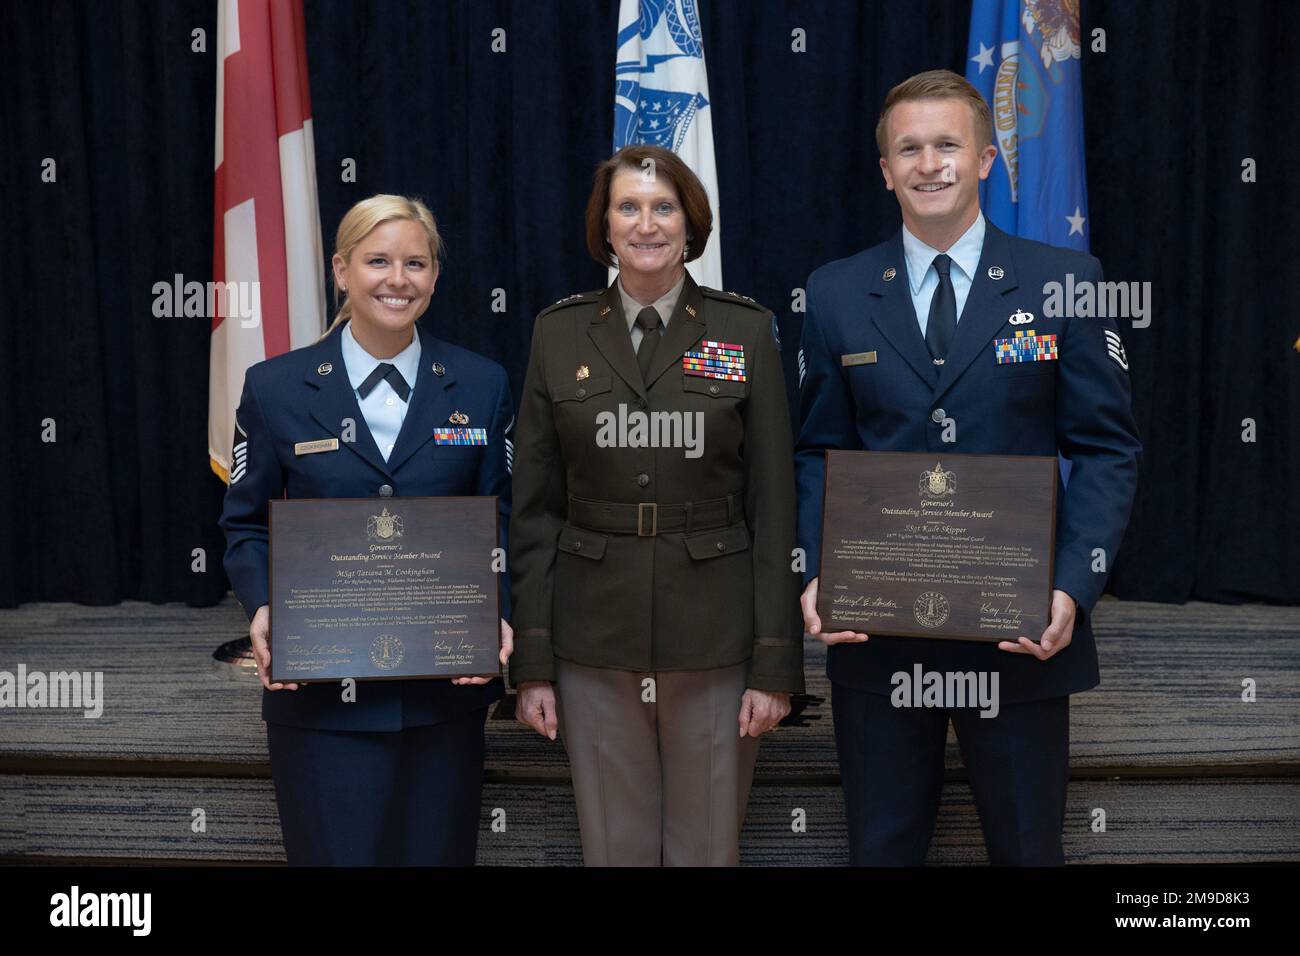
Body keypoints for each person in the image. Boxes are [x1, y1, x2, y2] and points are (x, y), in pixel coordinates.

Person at [795, 70, 1141, 865]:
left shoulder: (1067, 285)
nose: (929, 164)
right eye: (908, 149)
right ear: (884, 170)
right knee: (880, 849)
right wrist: (816, 573)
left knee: (1026, 847)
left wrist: (1072, 587)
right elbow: (816, 448)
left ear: (986, 157)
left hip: (1018, 631)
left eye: (948, 144)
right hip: (878, 628)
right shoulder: (837, 292)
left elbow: (1106, 449)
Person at [508, 144, 804, 866]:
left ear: (691, 222)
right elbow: (535, 513)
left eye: (664, 207)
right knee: (615, 847)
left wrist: (775, 664)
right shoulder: (558, 332)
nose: (647, 224)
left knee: (707, 850)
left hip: (715, 633)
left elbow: (774, 509)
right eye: (629, 207)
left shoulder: (744, 331)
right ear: (603, 227)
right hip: (592, 634)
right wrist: (535, 663)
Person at [220, 194, 514, 865]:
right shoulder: (276, 388)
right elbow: (245, 525)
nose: (397, 278)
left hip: (444, 696)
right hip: (322, 702)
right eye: (377, 260)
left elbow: (500, 516)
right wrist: (264, 606)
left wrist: (502, 608)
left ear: (435, 277)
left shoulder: (480, 383)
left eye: (415, 262)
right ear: (341, 270)